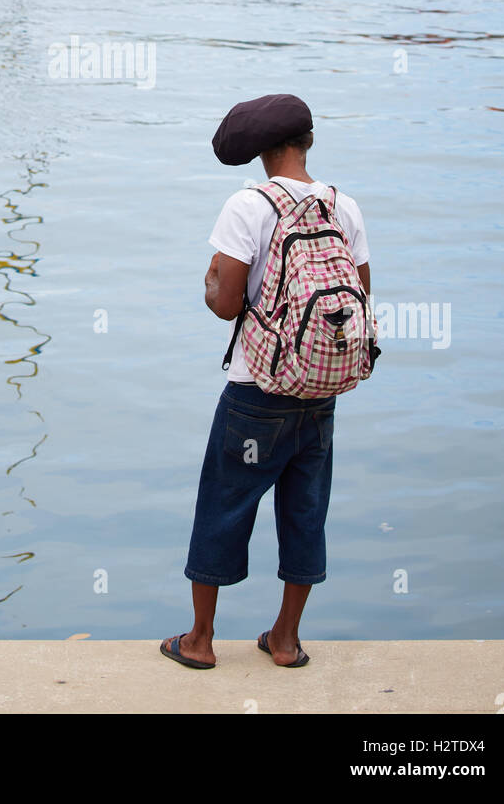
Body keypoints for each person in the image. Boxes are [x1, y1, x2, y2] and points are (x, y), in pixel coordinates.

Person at [161, 94, 371, 670]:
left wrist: (209, 283)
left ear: (259, 152)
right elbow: (360, 299)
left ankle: (200, 641)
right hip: (320, 395)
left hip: (256, 393)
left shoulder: (247, 206)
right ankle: (284, 640)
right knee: (305, 512)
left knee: (224, 508)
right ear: (307, 142)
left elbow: (227, 305)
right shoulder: (342, 206)